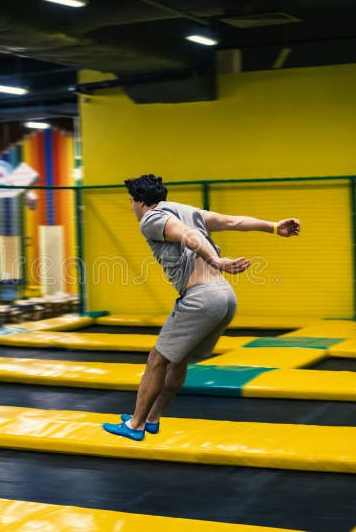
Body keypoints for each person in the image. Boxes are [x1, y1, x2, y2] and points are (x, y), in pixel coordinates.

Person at [103, 174, 300, 441]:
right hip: (225, 298)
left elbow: (188, 235)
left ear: (141, 201)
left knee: (156, 360)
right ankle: (152, 418)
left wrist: (216, 260)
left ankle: (135, 425)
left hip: (201, 297)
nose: (131, 208)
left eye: (131, 202)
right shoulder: (186, 210)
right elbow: (232, 221)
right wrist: (274, 227)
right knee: (179, 360)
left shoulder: (151, 219)